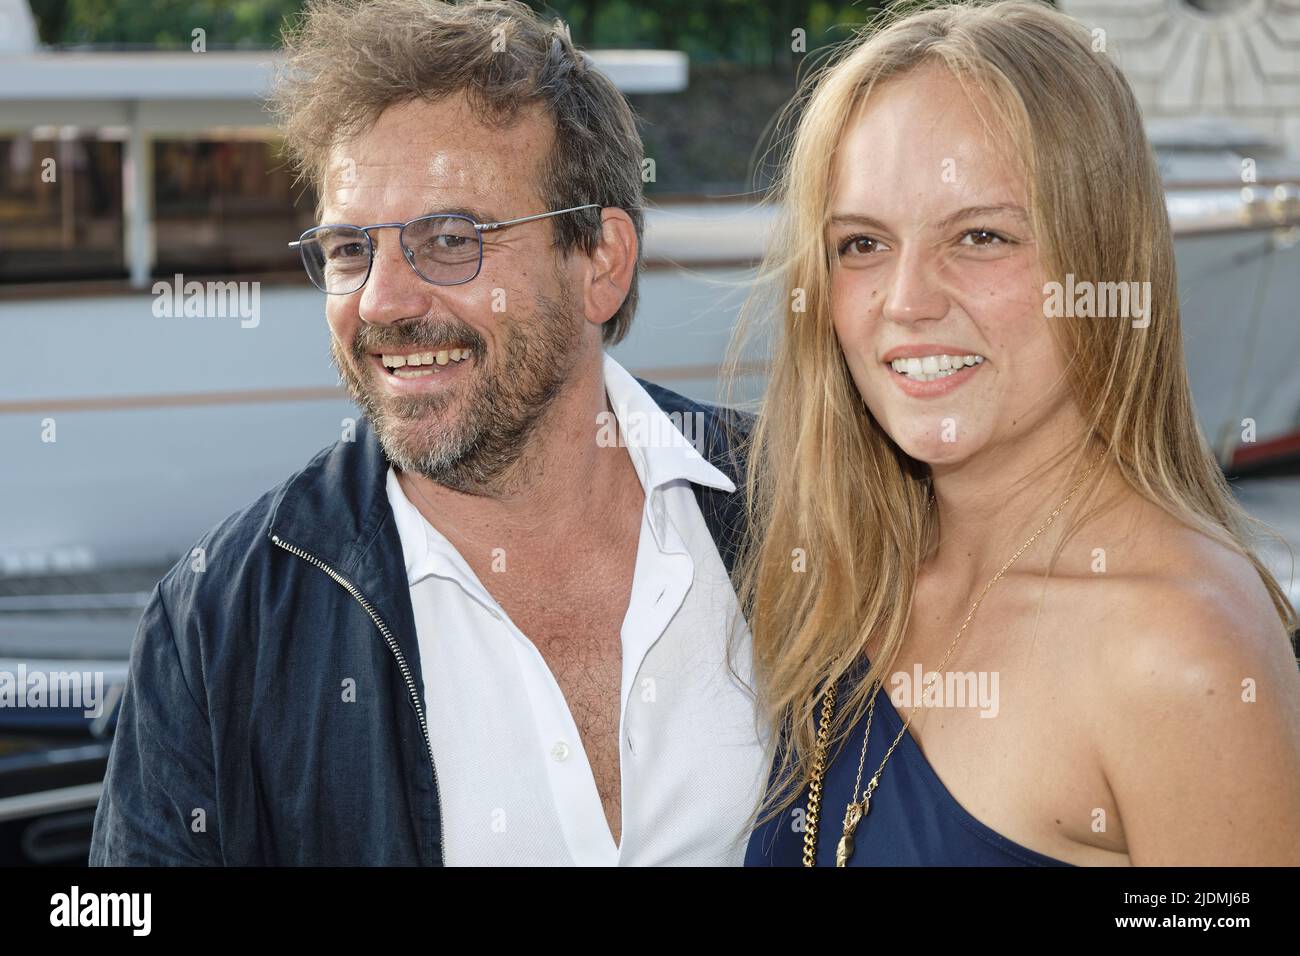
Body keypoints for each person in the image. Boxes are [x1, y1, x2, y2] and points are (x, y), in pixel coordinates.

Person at [89, 0, 768, 866]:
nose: (381, 302)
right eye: (348, 251)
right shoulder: (220, 626)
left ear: (601, 262)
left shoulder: (802, 510)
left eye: (450, 239)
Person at [739, 0, 1300, 866]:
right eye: (861, 245)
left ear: (1104, 260)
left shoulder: (1180, 650)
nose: (907, 300)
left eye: (980, 235)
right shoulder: (840, 574)